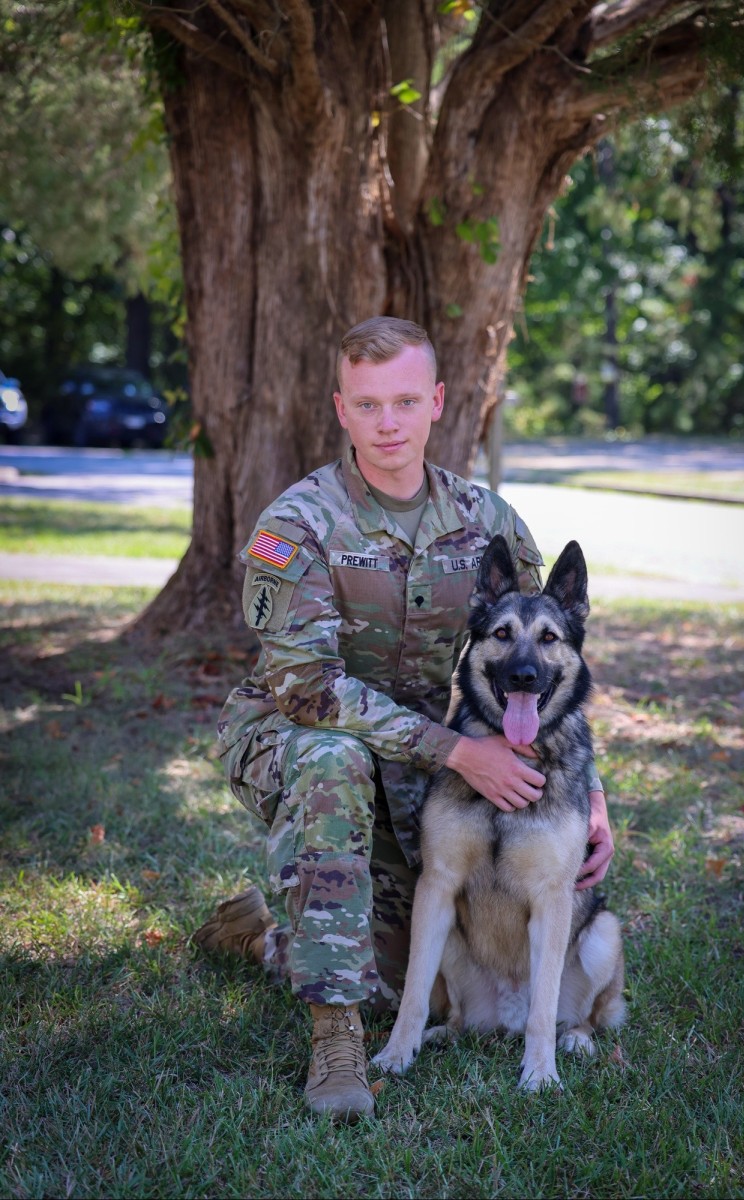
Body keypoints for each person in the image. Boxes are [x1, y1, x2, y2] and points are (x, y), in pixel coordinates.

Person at [194, 316, 614, 1122]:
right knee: (332, 760)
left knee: (411, 965)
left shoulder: (486, 519)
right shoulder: (298, 523)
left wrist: (590, 799)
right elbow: (308, 690)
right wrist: (459, 750)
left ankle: (263, 931)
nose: (389, 422)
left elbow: (545, 650)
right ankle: (336, 1038)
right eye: (369, 403)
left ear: (438, 403)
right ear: (341, 409)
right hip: (298, 736)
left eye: (406, 401)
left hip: (424, 763)